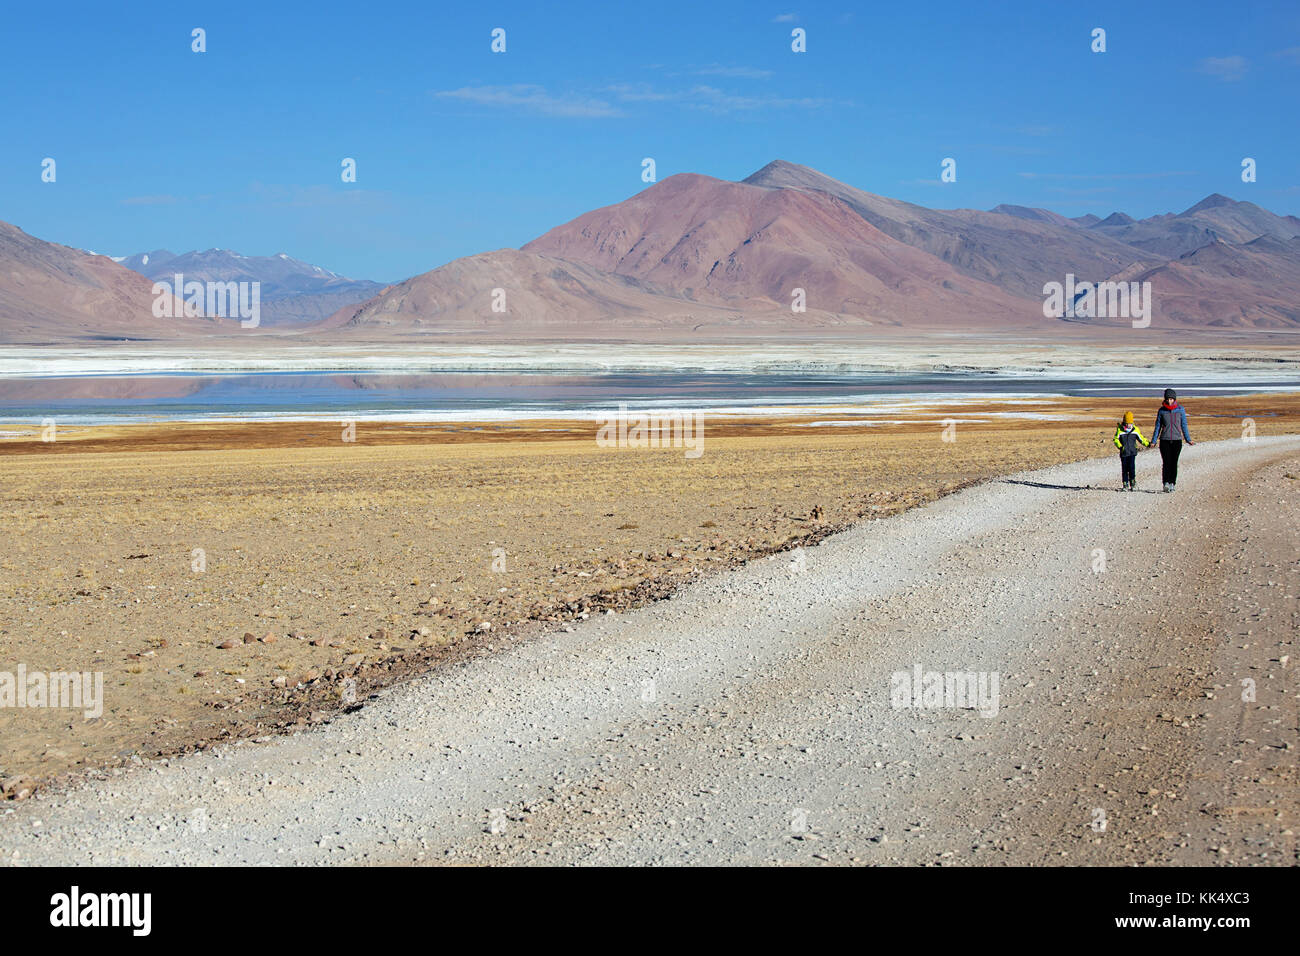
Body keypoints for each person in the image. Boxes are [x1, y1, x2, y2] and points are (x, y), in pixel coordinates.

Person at [1150, 388, 1194, 492]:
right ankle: (1166, 483)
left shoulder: (1180, 410)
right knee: (1166, 462)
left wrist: (1188, 439)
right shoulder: (1161, 411)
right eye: (1168, 399)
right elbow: (1158, 426)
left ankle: (1172, 483)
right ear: (1165, 399)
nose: (1169, 401)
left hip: (1177, 440)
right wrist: (1154, 440)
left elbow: (1184, 425)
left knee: (1174, 463)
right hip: (1164, 440)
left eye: (1171, 399)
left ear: (1174, 399)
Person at [1112, 411, 1150, 491]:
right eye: (1127, 423)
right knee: (1124, 469)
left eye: (1130, 423)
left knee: (1132, 468)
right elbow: (1116, 439)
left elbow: (1141, 439)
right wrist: (1121, 447)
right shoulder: (1120, 430)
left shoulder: (1135, 430)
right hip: (1124, 453)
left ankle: (1133, 482)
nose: (1128, 425)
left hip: (1132, 452)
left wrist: (1148, 444)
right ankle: (1125, 484)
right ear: (1124, 422)